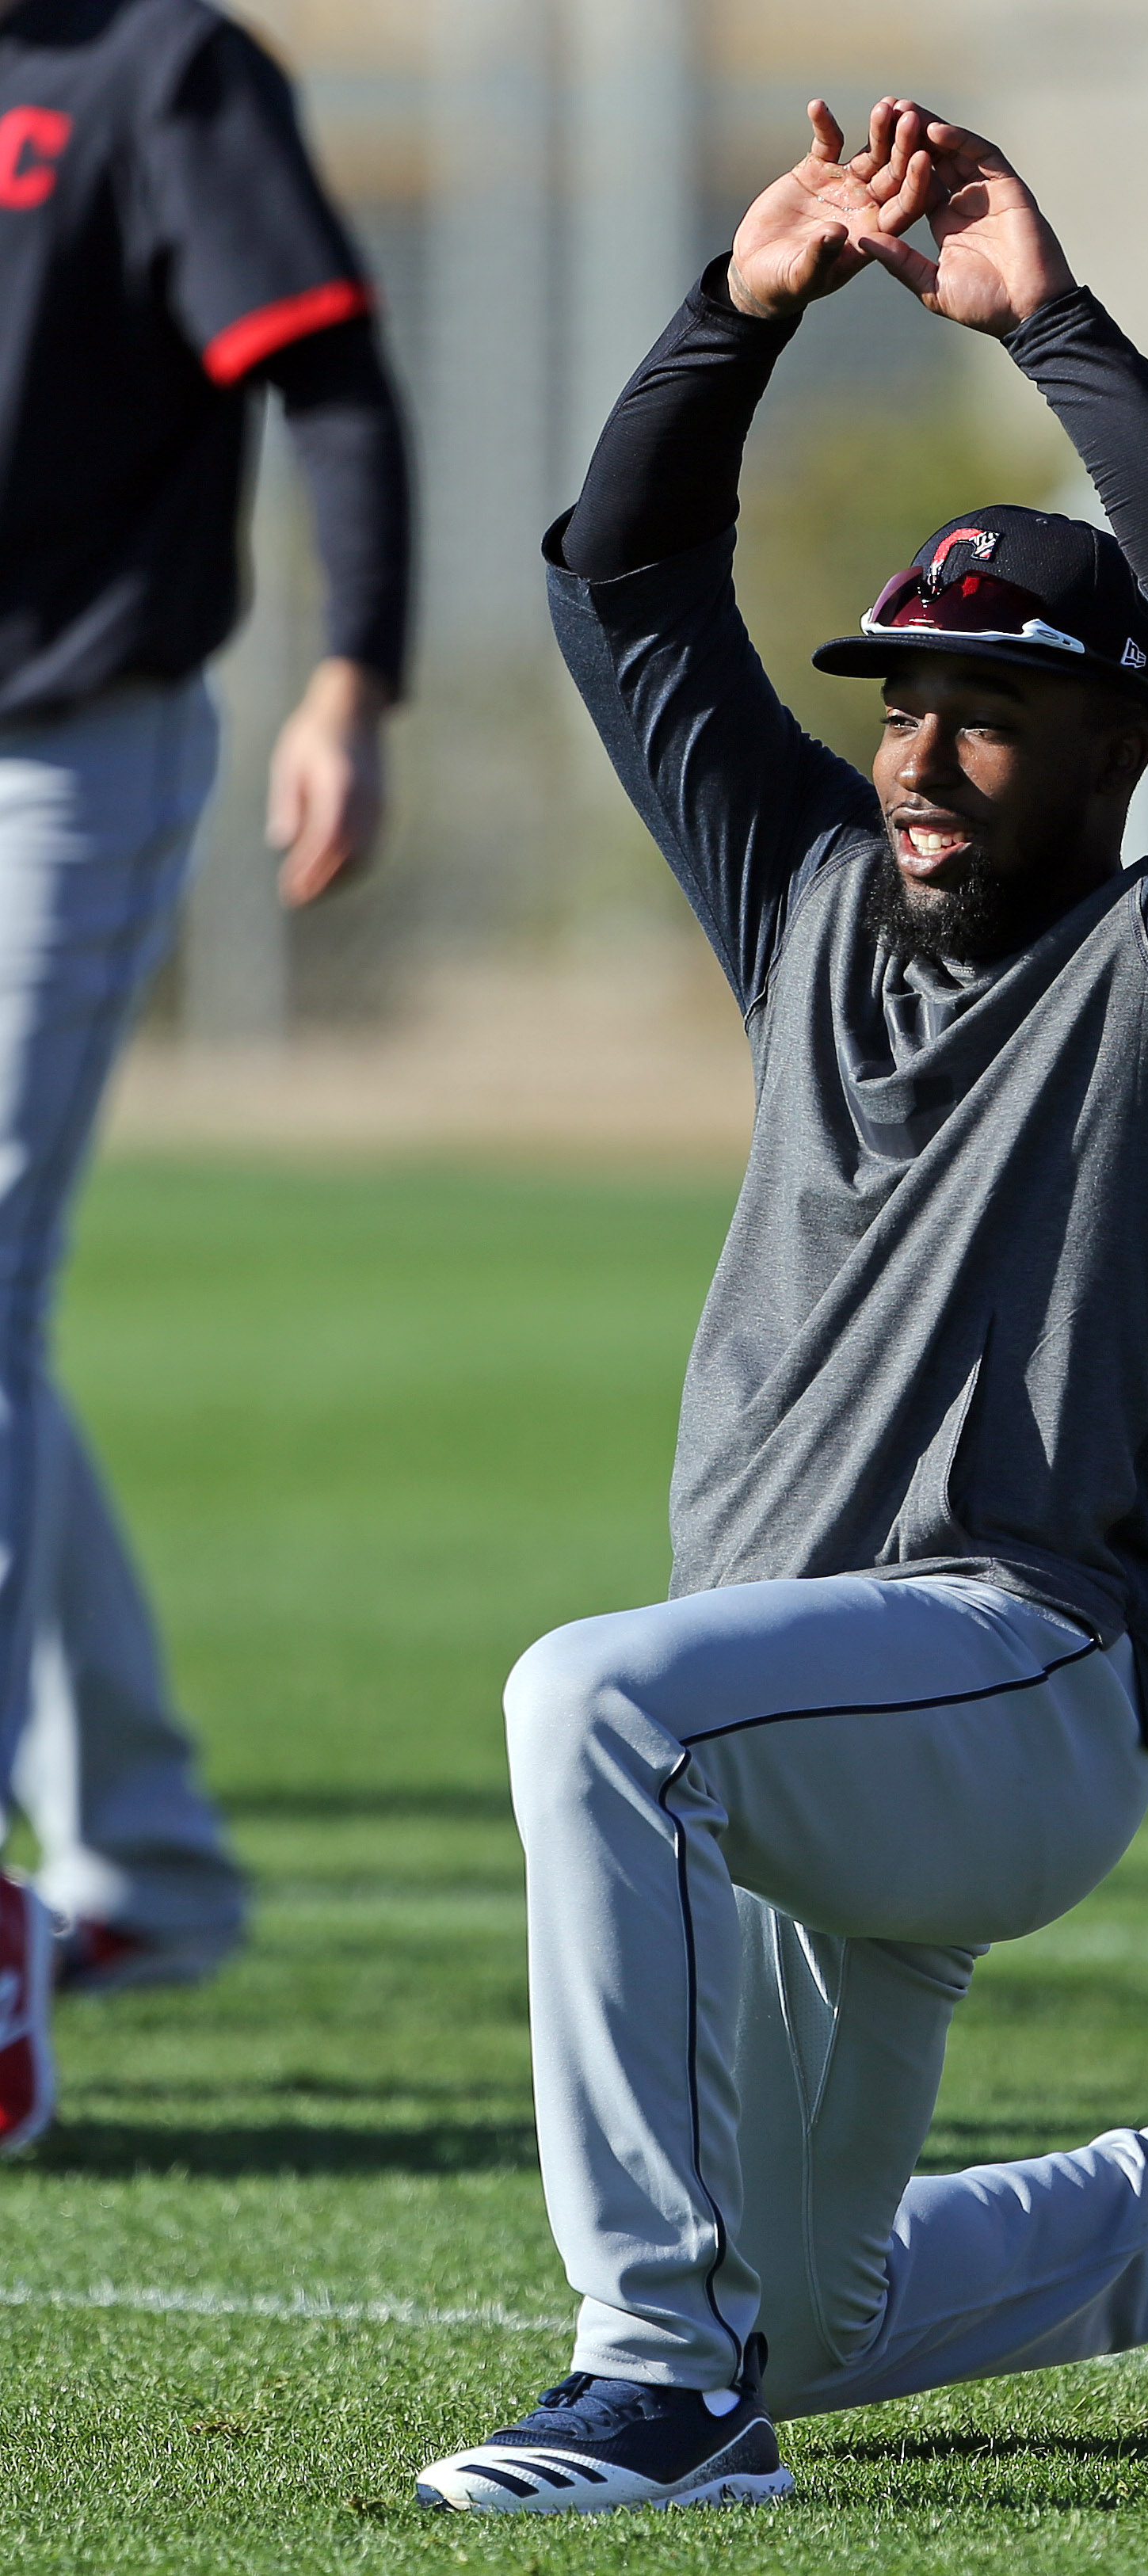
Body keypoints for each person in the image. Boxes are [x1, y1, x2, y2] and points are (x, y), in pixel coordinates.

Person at [417, 100, 1148, 2516]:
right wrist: (736, 320)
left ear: (1115, 746)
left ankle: (648, 2372)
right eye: (902, 697)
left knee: (587, 1702)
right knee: (819, 2318)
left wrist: (1047, 323)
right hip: (805, 1717)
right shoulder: (818, 901)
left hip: (1013, 1672)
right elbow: (623, 587)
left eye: (992, 708)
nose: (922, 754)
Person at [0, 0, 411, 2147]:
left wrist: (353, 672)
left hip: (69, 740)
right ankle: (141, 1859)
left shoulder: (164, 69)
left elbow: (327, 377)